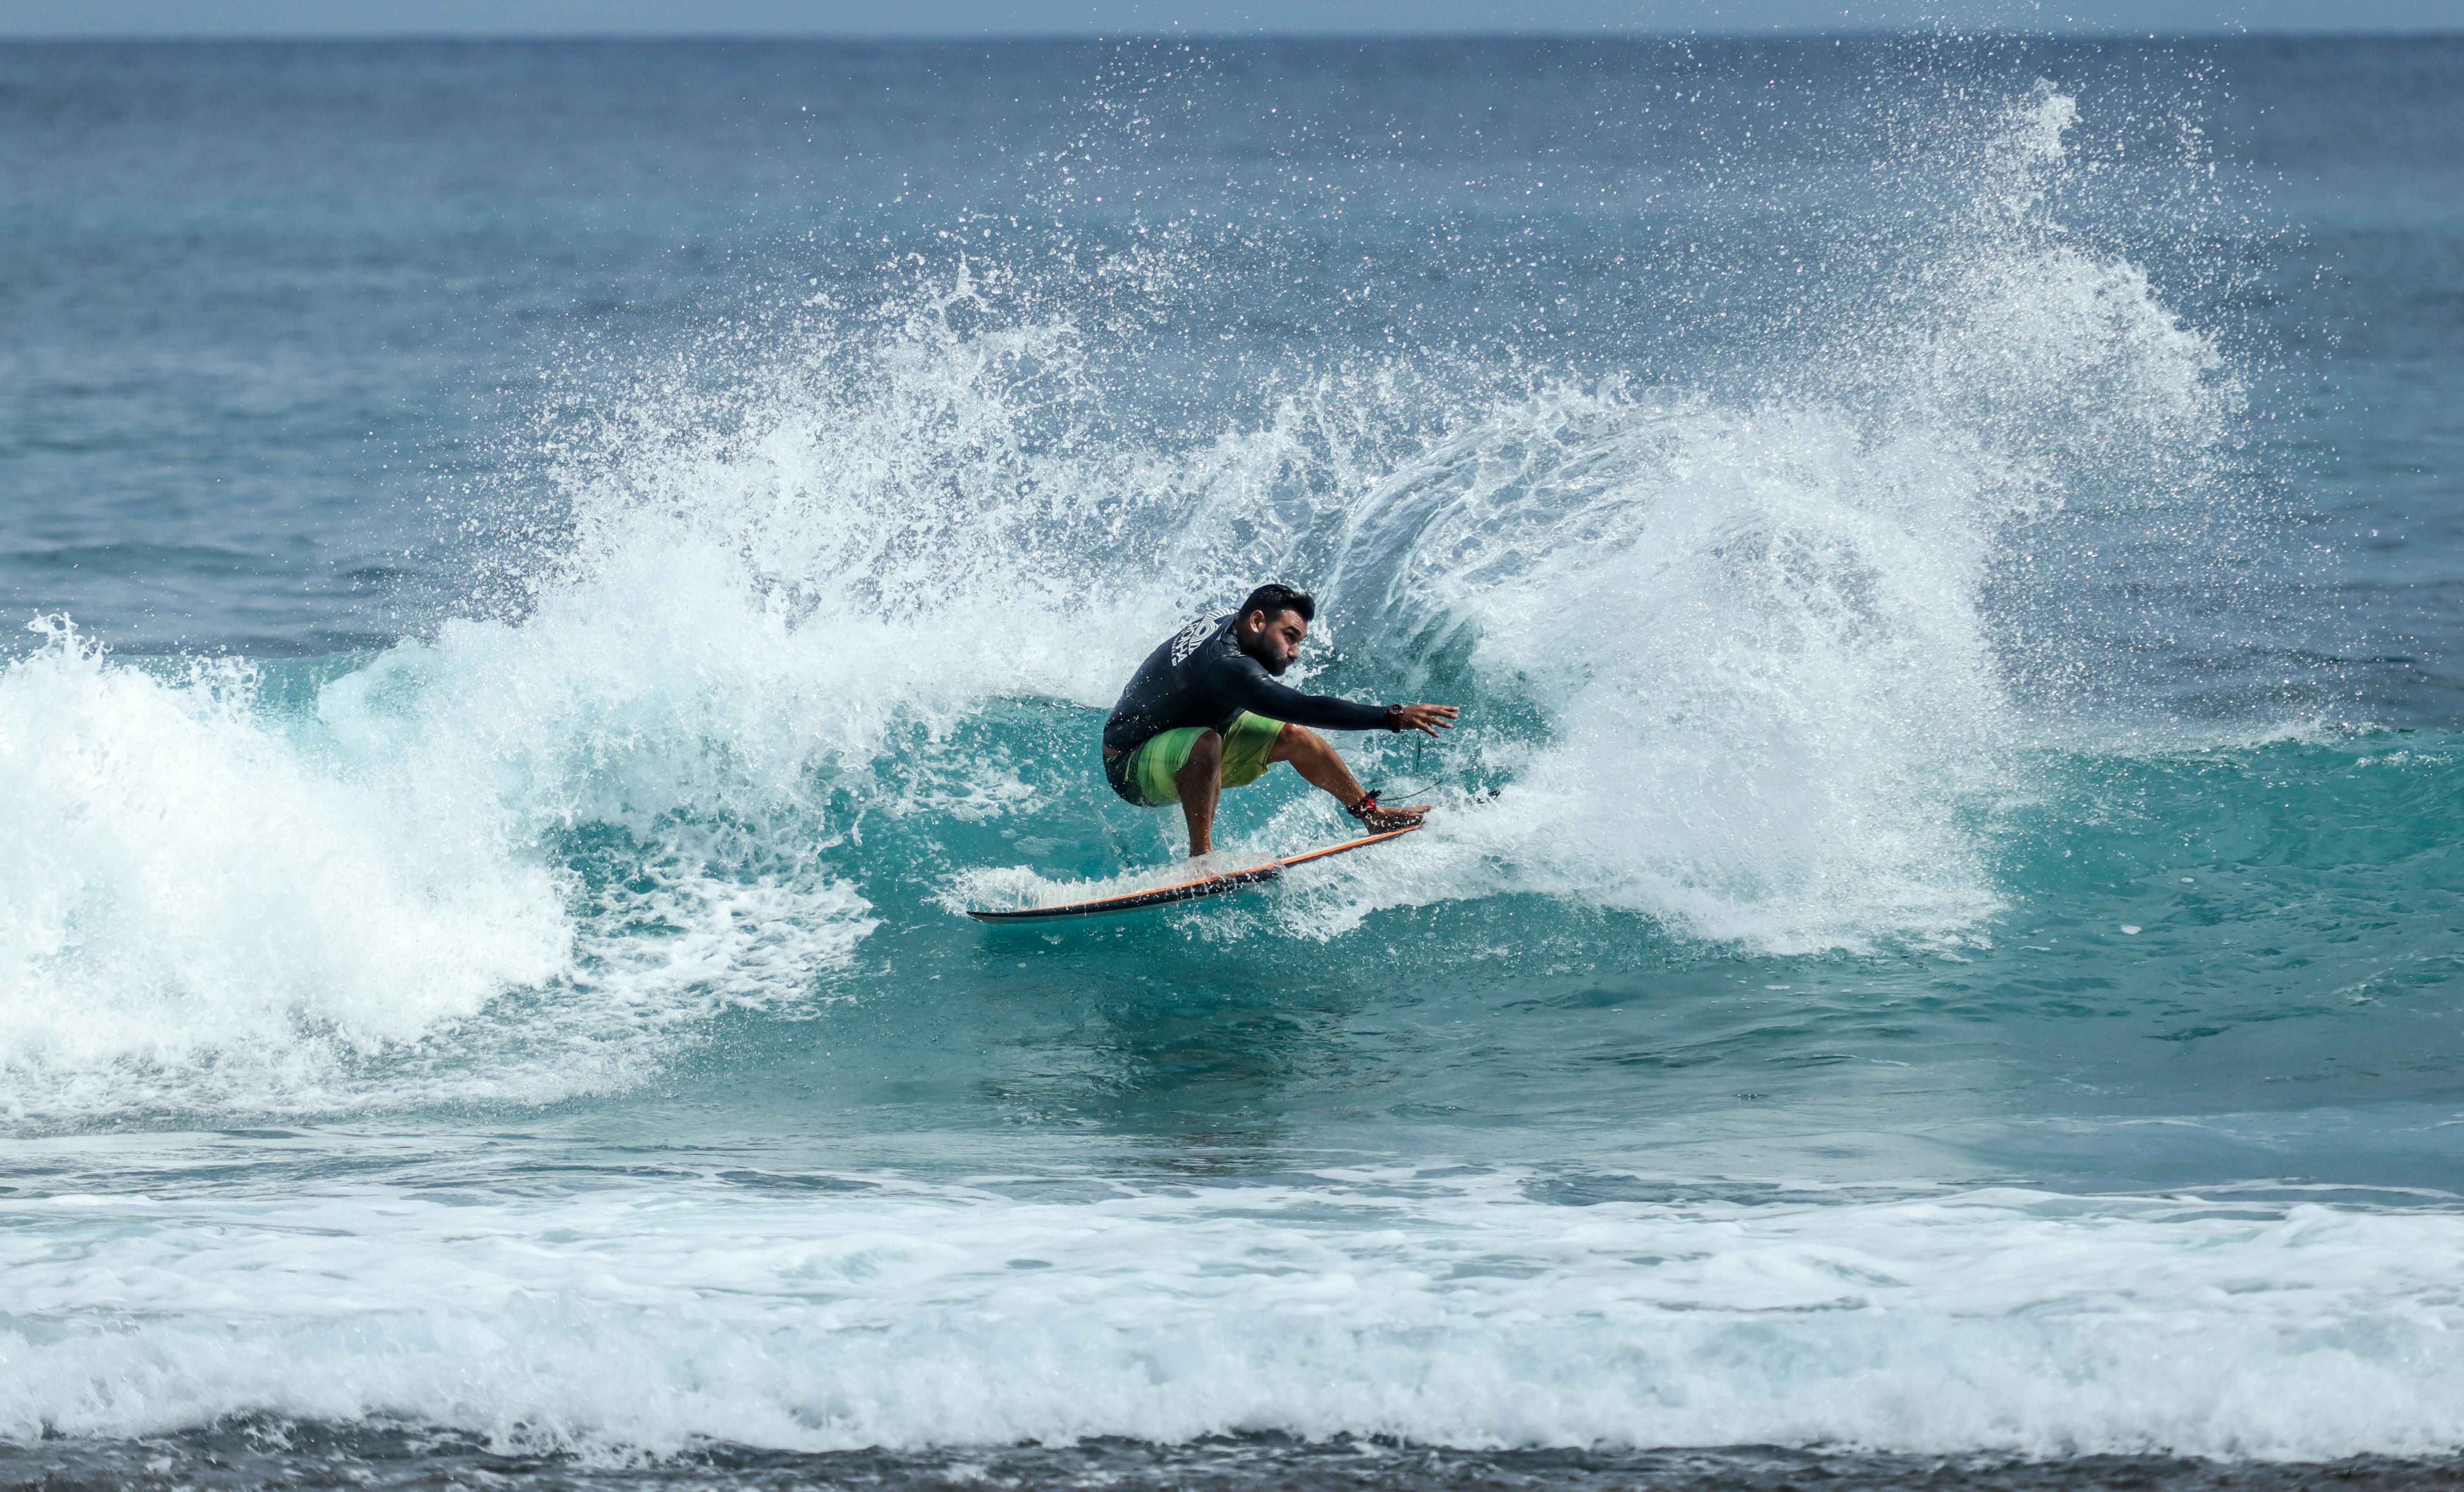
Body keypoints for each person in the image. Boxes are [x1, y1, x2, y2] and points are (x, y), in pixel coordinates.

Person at [1103, 583, 1459, 858]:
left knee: (1295, 737)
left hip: (1183, 735)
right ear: (1257, 621)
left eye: (1299, 641)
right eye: (1289, 637)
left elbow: (1294, 718)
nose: (1295, 653)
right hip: (1131, 764)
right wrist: (1392, 717)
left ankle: (1372, 814)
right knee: (1207, 741)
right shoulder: (1225, 663)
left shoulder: (1236, 625)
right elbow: (1301, 706)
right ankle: (1201, 858)